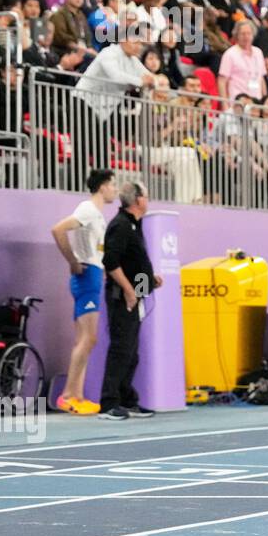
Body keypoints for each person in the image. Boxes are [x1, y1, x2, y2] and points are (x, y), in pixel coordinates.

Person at [48, 169, 118, 415]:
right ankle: (68, 395)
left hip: (94, 273)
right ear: (102, 187)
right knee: (89, 338)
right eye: (112, 185)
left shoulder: (98, 216)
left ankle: (76, 395)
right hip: (87, 274)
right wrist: (72, 261)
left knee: (85, 340)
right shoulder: (87, 209)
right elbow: (58, 229)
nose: (115, 190)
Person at [99, 180, 162, 420]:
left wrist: (149, 280)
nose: (148, 199)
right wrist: (128, 289)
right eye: (146, 195)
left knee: (131, 351)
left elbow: (133, 262)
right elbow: (111, 262)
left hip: (136, 297)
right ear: (138, 200)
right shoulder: (121, 225)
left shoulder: (136, 225)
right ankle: (108, 403)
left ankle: (128, 400)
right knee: (120, 349)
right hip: (122, 298)